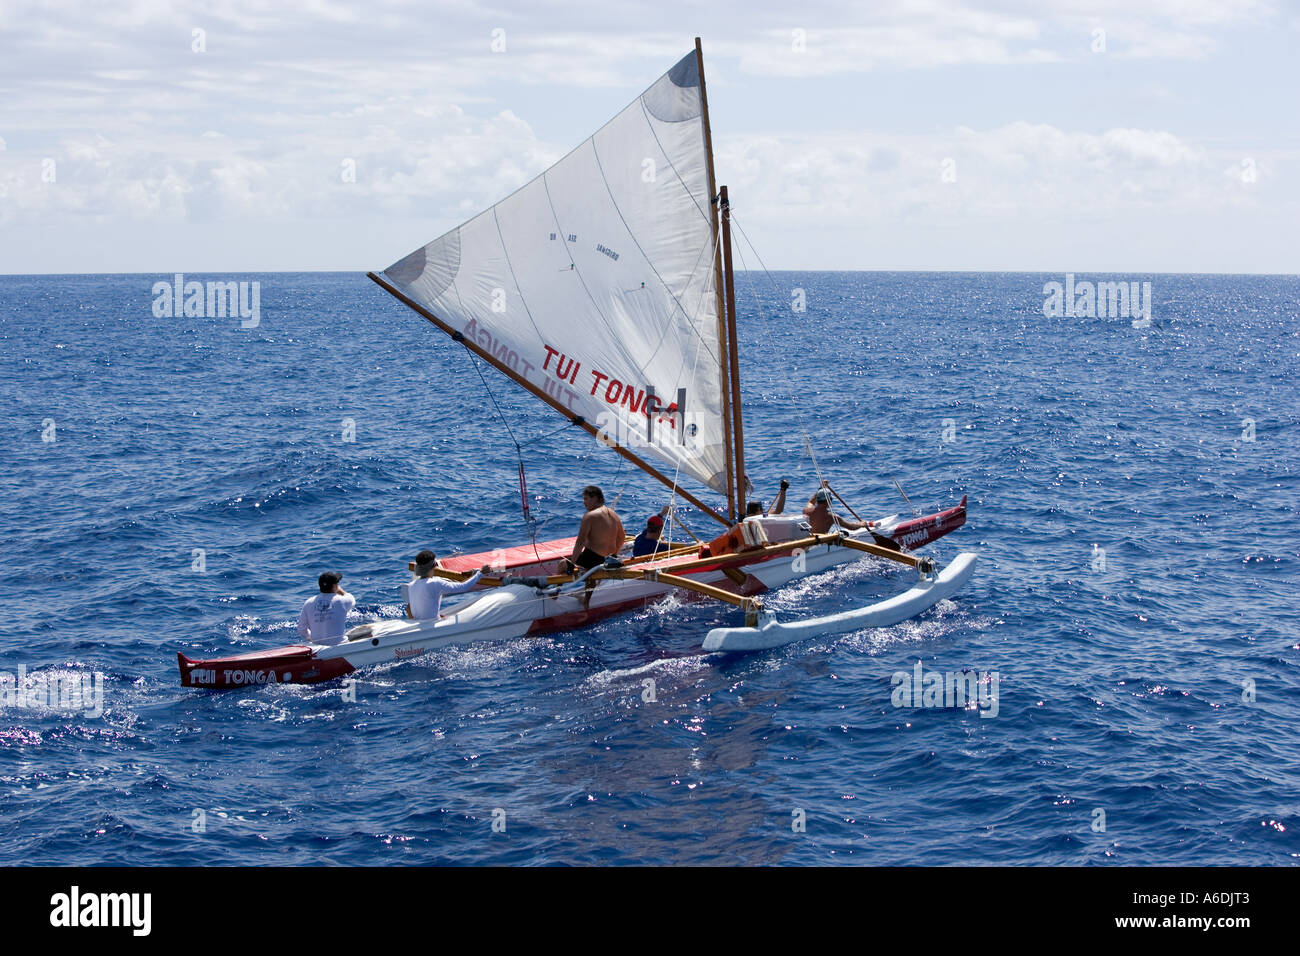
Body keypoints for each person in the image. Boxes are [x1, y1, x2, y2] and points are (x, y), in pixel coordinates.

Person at [406, 549, 492, 621]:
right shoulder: (435, 583)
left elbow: (410, 607)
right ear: (434, 565)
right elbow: (464, 587)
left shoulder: (411, 585)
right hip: (432, 625)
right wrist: (480, 573)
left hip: (420, 624)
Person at [565, 485, 625, 574]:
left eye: (586, 499)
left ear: (594, 498)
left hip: (593, 559)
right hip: (608, 558)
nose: (584, 502)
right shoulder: (613, 513)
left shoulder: (590, 516)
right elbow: (621, 536)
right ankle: (591, 587)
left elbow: (580, 542)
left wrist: (572, 564)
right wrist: (614, 555)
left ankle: (558, 588)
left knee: (562, 564)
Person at [297, 571, 356, 647]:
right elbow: (352, 600)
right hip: (340, 645)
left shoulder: (308, 603)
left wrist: (312, 638)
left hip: (317, 646)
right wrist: (340, 591)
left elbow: (301, 629)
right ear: (335, 586)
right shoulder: (343, 601)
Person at [802, 482, 870, 534]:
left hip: (806, 540)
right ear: (829, 501)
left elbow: (811, 502)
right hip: (818, 544)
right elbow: (851, 527)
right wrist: (861, 524)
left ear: (817, 499)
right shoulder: (832, 517)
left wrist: (821, 488)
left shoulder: (807, 510)